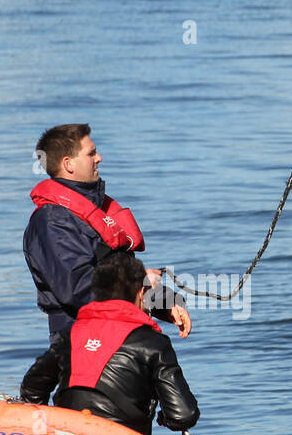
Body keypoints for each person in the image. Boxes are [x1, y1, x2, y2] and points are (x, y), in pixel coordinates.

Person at [24, 123, 191, 339]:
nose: (99, 158)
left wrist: (166, 304)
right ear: (69, 164)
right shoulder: (52, 222)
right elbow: (78, 289)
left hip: (122, 335)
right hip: (85, 345)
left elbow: (118, 271)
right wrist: (137, 280)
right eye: (91, 153)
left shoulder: (95, 210)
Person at [20, 250, 199, 435]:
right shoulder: (154, 343)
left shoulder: (70, 334)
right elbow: (184, 416)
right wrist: (167, 417)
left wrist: (41, 431)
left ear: (97, 291)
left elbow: (31, 389)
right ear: (141, 292)